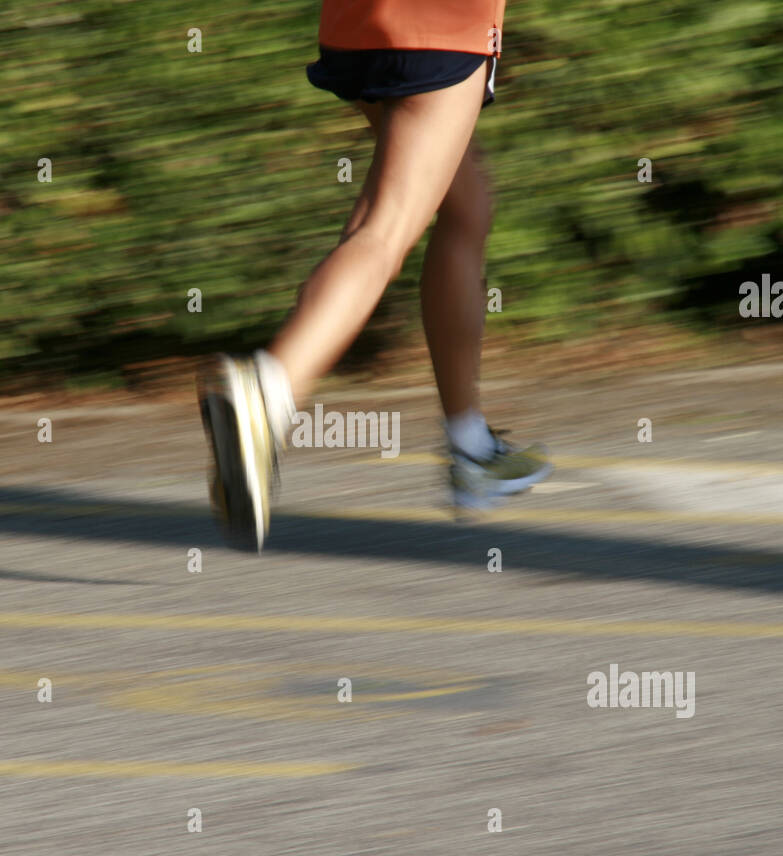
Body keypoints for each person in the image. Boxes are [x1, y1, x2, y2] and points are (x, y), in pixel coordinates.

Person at [198, 0, 551, 552]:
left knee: (462, 206)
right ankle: (270, 391)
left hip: (357, 23)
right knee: (385, 230)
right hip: (440, 25)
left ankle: (471, 447)